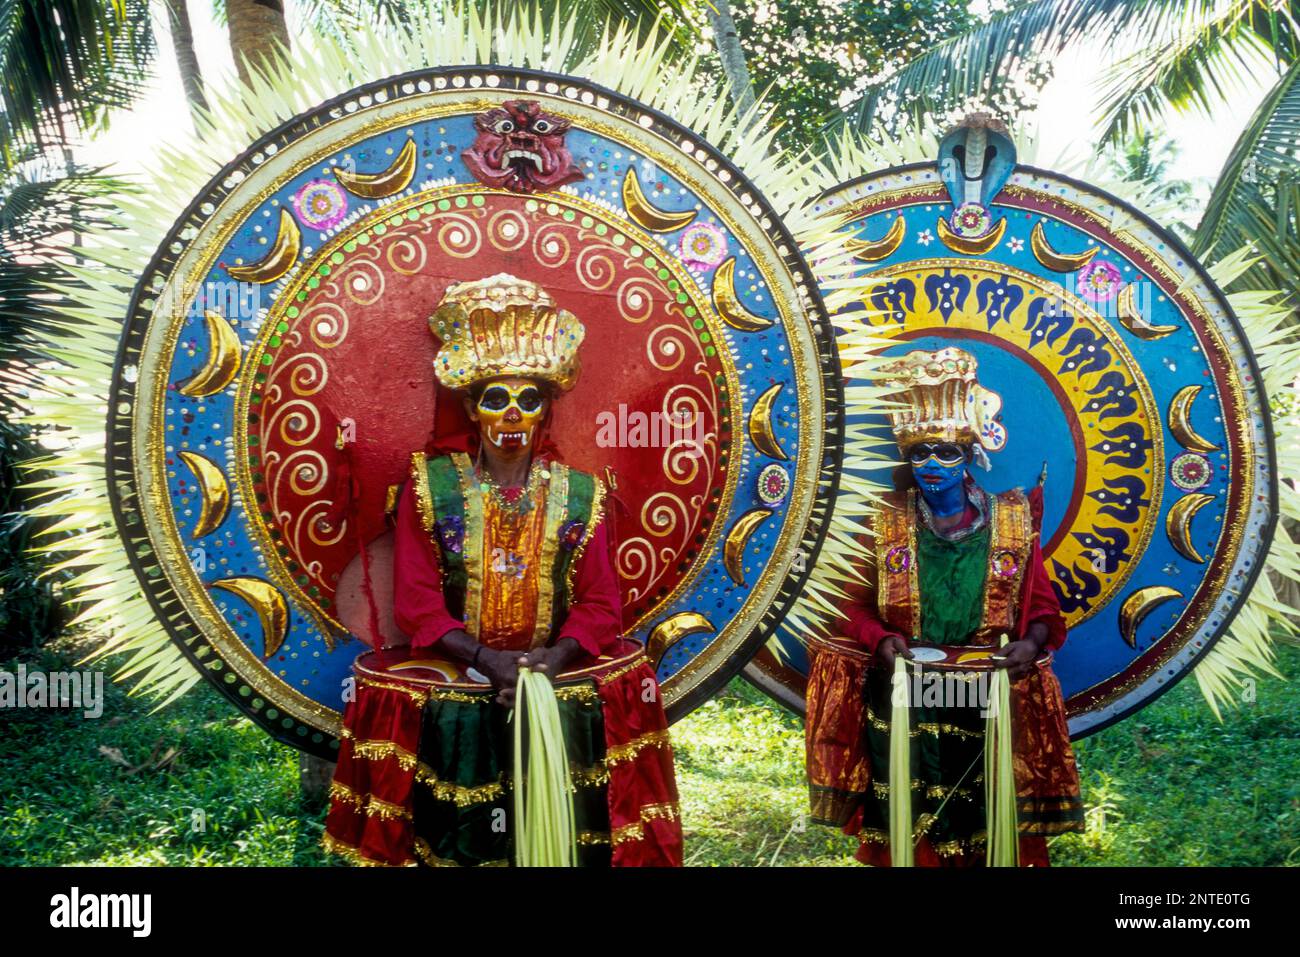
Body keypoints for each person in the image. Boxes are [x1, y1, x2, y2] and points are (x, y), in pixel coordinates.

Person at [323, 273, 682, 867]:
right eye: (495, 398)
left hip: (553, 680)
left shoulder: (581, 493)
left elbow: (601, 606)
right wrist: (484, 660)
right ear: (471, 407)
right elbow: (415, 605)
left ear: (545, 410)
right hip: (464, 677)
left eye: (529, 398)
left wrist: (553, 660)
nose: (512, 414)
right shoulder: (428, 486)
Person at [804, 346, 1084, 866]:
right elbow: (850, 606)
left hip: (988, 694)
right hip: (908, 694)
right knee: (912, 828)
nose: (932, 464)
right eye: (921, 452)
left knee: (988, 820)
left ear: (971, 454)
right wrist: (881, 641)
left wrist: (1030, 644)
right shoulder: (881, 521)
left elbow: (1045, 612)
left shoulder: (1012, 521)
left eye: (947, 452)